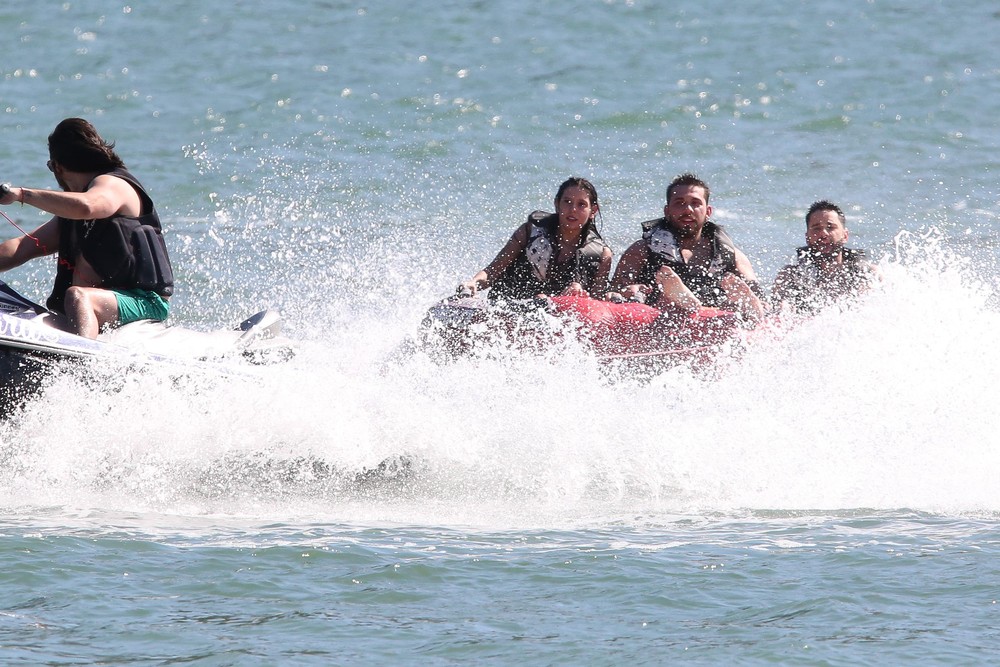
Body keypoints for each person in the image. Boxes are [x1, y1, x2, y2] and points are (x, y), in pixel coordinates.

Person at [0, 118, 173, 339]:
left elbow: (87, 206)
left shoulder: (114, 185)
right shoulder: (70, 218)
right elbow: (21, 248)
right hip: (95, 310)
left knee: (77, 296)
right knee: (27, 314)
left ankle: (80, 368)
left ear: (57, 167)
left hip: (143, 302)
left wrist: (22, 195)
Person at [609, 173, 765, 322]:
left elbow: (754, 287)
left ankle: (743, 308)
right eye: (679, 203)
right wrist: (630, 290)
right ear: (667, 211)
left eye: (695, 203)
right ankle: (679, 298)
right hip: (661, 316)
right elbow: (613, 293)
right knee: (662, 301)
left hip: (713, 318)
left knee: (737, 303)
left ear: (708, 212)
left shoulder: (731, 254)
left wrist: (754, 298)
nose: (688, 210)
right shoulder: (642, 250)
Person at [459, 177, 613, 301]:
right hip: (509, 305)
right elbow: (492, 272)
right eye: (567, 202)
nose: (572, 209)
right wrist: (474, 283)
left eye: (581, 204)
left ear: (593, 210)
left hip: (558, 317)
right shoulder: (529, 232)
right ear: (557, 204)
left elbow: (597, 304)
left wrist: (579, 297)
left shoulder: (601, 254)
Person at [772, 200, 879, 313]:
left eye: (830, 227)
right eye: (816, 228)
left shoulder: (867, 274)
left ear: (845, 235)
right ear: (807, 237)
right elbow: (776, 314)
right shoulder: (790, 277)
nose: (823, 234)